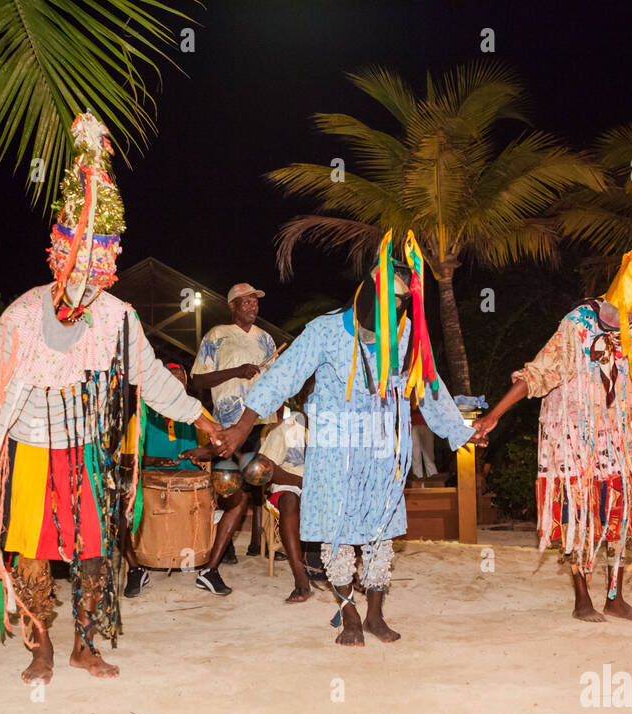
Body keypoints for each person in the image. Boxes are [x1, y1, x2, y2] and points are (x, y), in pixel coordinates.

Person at [0, 113, 227, 684]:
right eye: (77, 266)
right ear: (57, 255)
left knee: (95, 554)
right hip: (28, 452)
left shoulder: (117, 319)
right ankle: (41, 648)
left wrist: (200, 416)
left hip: (85, 454)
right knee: (30, 556)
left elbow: (151, 379)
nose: (85, 281)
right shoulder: (22, 316)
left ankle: (83, 644)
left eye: (98, 270)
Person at [221, 231, 475, 646]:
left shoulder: (407, 334)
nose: (397, 310)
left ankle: (375, 614)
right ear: (370, 296)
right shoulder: (323, 331)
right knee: (337, 533)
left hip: (382, 454)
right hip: (336, 453)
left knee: (380, 532)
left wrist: (458, 431)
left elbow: (427, 384)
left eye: (402, 304)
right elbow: (282, 377)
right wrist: (244, 425)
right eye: (390, 303)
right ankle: (348, 613)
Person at [471, 245, 632, 623]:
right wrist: (494, 414)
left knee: (620, 517)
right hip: (570, 438)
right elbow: (537, 373)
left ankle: (615, 598)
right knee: (578, 518)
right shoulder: (577, 324)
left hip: (617, 440)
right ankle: (581, 599)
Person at [190, 283, 277, 562]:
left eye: (255, 301)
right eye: (246, 302)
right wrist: (236, 372)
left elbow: (276, 381)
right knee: (227, 482)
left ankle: (256, 542)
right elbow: (199, 379)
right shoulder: (217, 335)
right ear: (232, 306)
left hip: (261, 421)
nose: (253, 306)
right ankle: (224, 545)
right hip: (227, 424)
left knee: (259, 482)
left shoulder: (266, 338)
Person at [122, 361, 203, 598]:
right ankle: (136, 569)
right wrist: (152, 461)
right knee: (119, 512)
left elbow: (210, 447)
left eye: (180, 379)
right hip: (146, 483)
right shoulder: (141, 413)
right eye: (170, 379)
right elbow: (125, 457)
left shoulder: (193, 412)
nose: (176, 383)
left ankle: (205, 564)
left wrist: (200, 455)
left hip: (184, 487)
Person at [258, 387, 311, 602]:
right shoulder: (290, 426)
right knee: (290, 501)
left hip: (323, 486)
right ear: (304, 399)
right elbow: (266, 467)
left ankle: (350, 572)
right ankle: (300, 577)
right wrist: (302, 482)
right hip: (289, 483)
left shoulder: (335, 425)